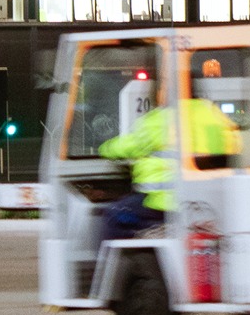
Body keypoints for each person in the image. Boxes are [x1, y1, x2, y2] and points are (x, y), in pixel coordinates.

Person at [98, 85, 241, 243]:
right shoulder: (216, 117)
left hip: (162, 205)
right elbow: (235, 148)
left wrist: (105, 148)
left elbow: (125, 147)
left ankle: (102, 266)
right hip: (209, 205)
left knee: (113, 214)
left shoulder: (160, 119)